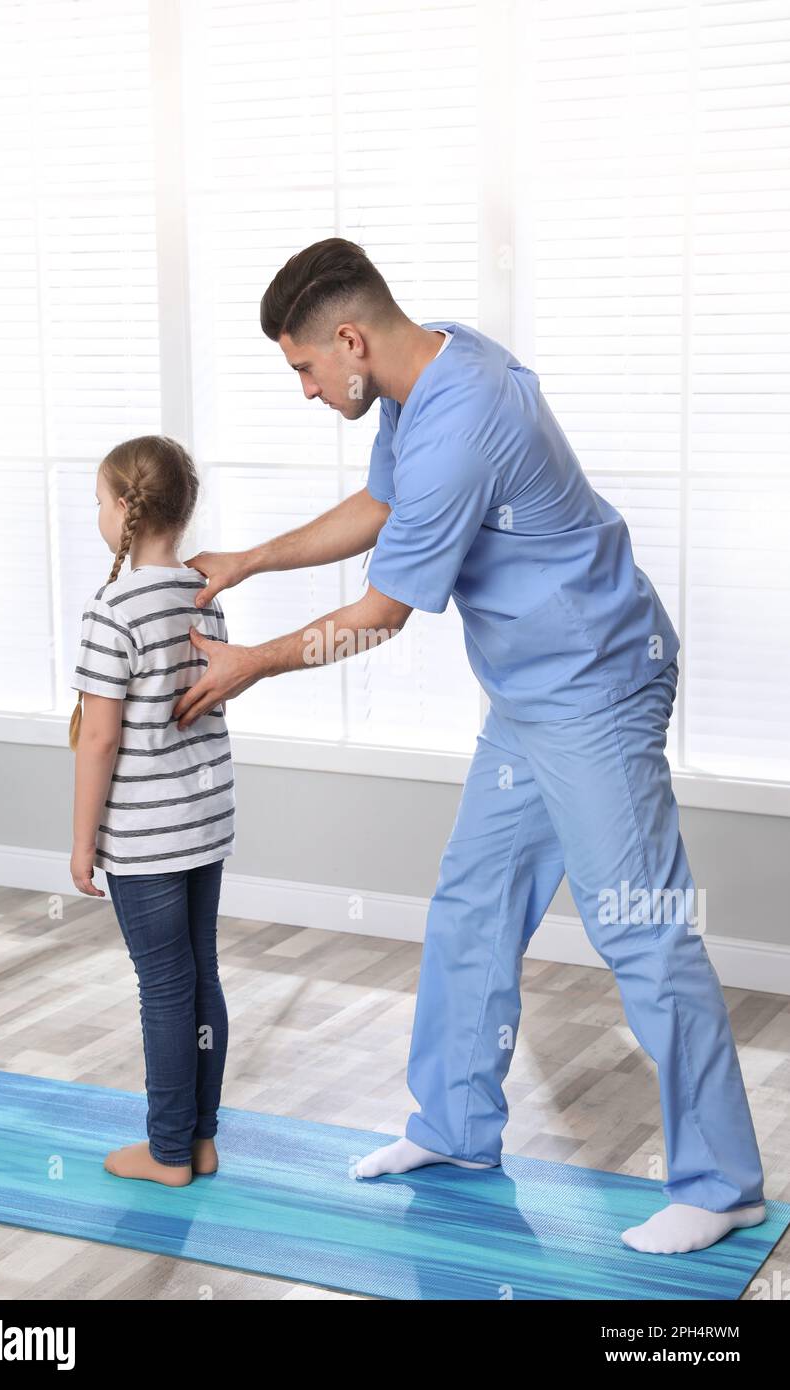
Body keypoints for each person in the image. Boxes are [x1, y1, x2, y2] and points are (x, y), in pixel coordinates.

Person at [172, 238, 766, 1253]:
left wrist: (246, 667)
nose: (309, 392)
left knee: (639, 927)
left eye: (306, 370)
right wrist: (250, 559)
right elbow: (382, 505)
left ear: (349, 341)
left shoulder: (463, 419)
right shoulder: (422, 370)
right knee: (470, 904)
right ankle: (452, 1129)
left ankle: (722, 1185)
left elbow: (379, 616)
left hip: (596, 684)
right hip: (528, 697)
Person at [69, 435, 235, 1187]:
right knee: (201, 978)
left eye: (100, 501)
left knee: (165, 985)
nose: (97, 514)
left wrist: (82, 843)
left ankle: (167, 1152)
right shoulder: (206, 597)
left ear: (124, 512)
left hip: (144, 835)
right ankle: (200, 1140)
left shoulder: (112, 609)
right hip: (204, 823)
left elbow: (99, 738)